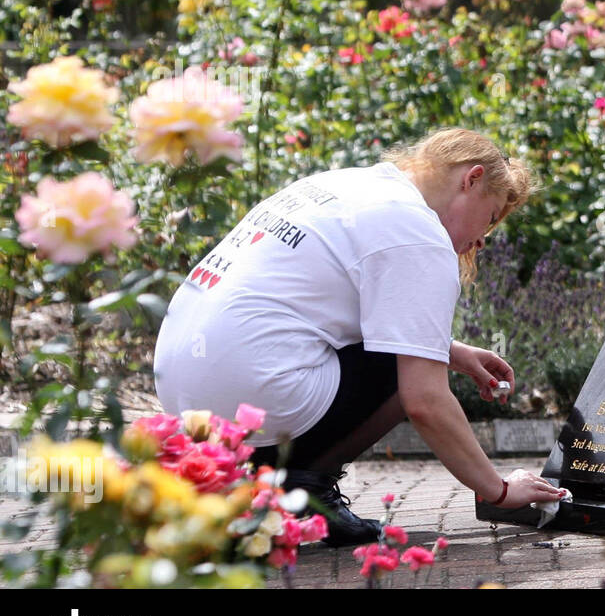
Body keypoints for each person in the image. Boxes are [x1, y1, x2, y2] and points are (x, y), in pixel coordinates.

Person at [152, 128, 566, 546]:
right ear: (471, 178)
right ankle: (304, 488)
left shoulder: (343, 184)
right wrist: (499, 490)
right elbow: (425, 401)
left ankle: (244, 481)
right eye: (490, 218)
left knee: (409, 351)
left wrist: (451, 352)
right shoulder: (419, 232)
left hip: (182, 388)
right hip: (255, 388)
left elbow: (304, 299)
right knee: (404, 365)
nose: (481, 240)